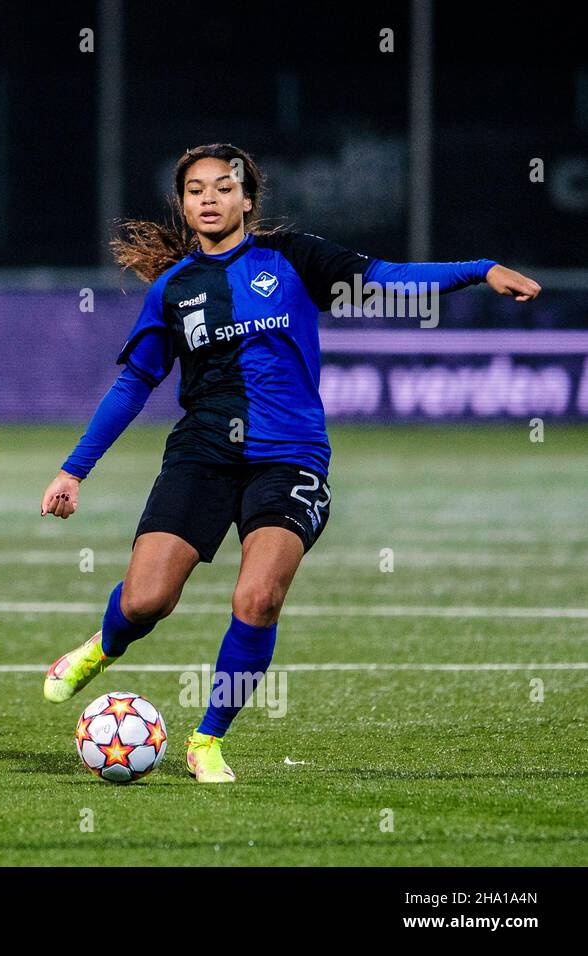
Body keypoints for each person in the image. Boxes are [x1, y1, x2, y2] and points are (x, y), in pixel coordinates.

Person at [40, 143, 541, 783]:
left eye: (224, 188)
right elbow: (133, 386)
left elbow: (387, 279)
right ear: (184, 204)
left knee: (257, 598)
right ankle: (101, 647)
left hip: (290, 458)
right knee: (146, 600)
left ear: (248, 200)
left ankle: (207, 740)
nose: (210, 199)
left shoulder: (295, 259)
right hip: (202, 454)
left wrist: (479, 269)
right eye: (196, 190)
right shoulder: (172, 290)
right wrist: (73, 470)